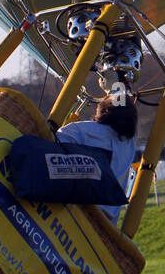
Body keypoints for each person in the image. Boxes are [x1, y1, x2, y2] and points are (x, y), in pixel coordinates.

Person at [56, 94, 138, 224]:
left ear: (104, 110)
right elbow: (121, 106)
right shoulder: (129, 144)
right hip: (106, 223)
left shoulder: (79, 130)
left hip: (74, 213)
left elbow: (52, 149)